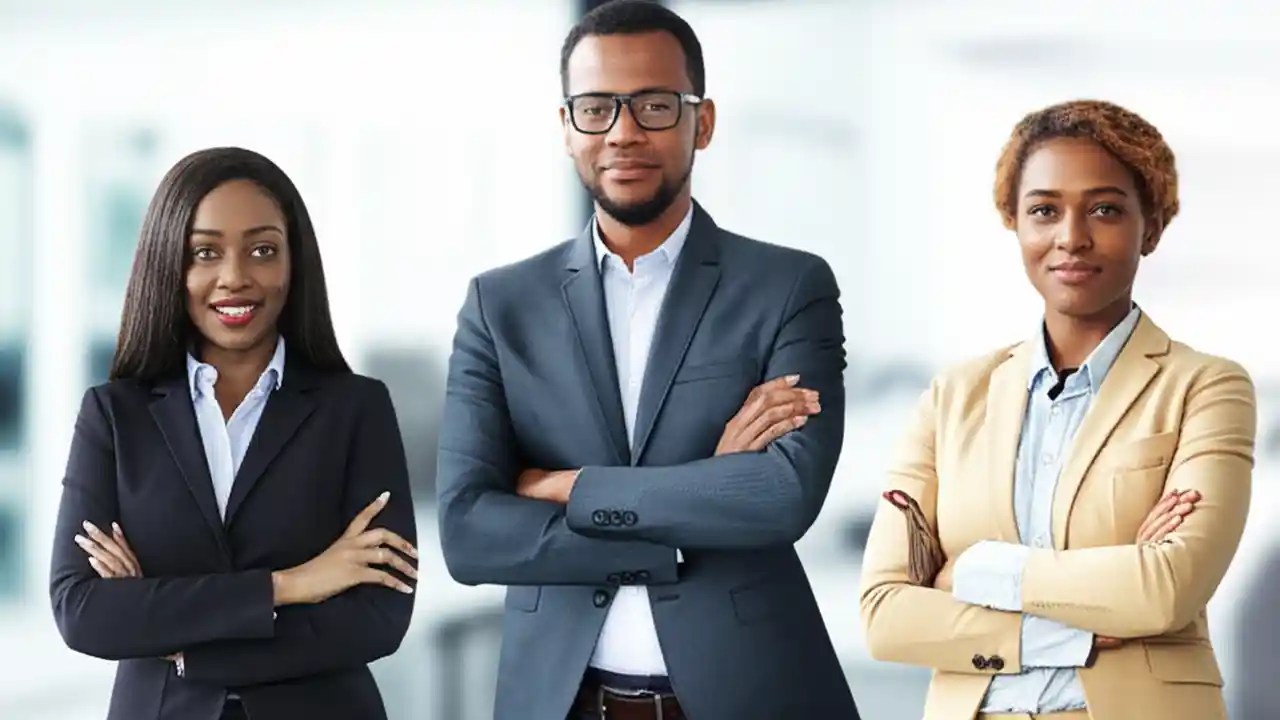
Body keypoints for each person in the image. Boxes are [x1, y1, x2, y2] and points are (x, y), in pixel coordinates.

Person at [435, 1, 859, 718]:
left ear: (704, 120)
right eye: (597, 107)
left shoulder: (788, 287)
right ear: (567, 127)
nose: (625, 133)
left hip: (748, 696)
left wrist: (568, 487)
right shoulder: (499, 305)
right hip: (561, 702)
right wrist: (696, 503)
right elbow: (469, 533)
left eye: (656, 105)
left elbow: (780, 497)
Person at [859, 99, 1255, 720]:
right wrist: (1064, 628)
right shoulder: (952, 397)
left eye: (1104, 209)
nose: (1071, 237)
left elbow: (1164, 591)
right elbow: (885, 615)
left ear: (1150, 227)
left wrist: (976, 569)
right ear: (1014, 223)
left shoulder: (1204, 388)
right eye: (1044, 210)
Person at [49, 147, 419, 720]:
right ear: (171, 264)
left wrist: (178, 642)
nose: (235, 277)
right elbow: (83, 610)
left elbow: (377, 616)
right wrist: (290, 585)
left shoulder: (356, 408)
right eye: (205, 252)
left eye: (263, 250)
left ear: (293, 262)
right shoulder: (114, 416)